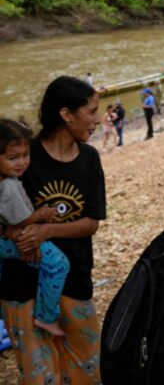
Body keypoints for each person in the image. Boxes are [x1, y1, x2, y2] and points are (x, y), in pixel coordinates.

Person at [0, 75, 107, 385]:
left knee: (88, 369)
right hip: (23, 288)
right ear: (66, 114)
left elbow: (91, 223)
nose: (97, 120)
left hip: (73, 279)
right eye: (90, 111)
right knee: (38, 377)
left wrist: (45, 232)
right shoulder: (20, 155)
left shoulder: (89, 159)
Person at [0, 119, 70, 338]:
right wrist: (42, 214)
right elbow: (21, 221)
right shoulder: (10, 186)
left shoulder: (6, 179)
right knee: (59, 264)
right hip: (9, 240)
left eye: (25, 155)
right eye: (12, 158)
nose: (21, 163)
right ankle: (46, 315)